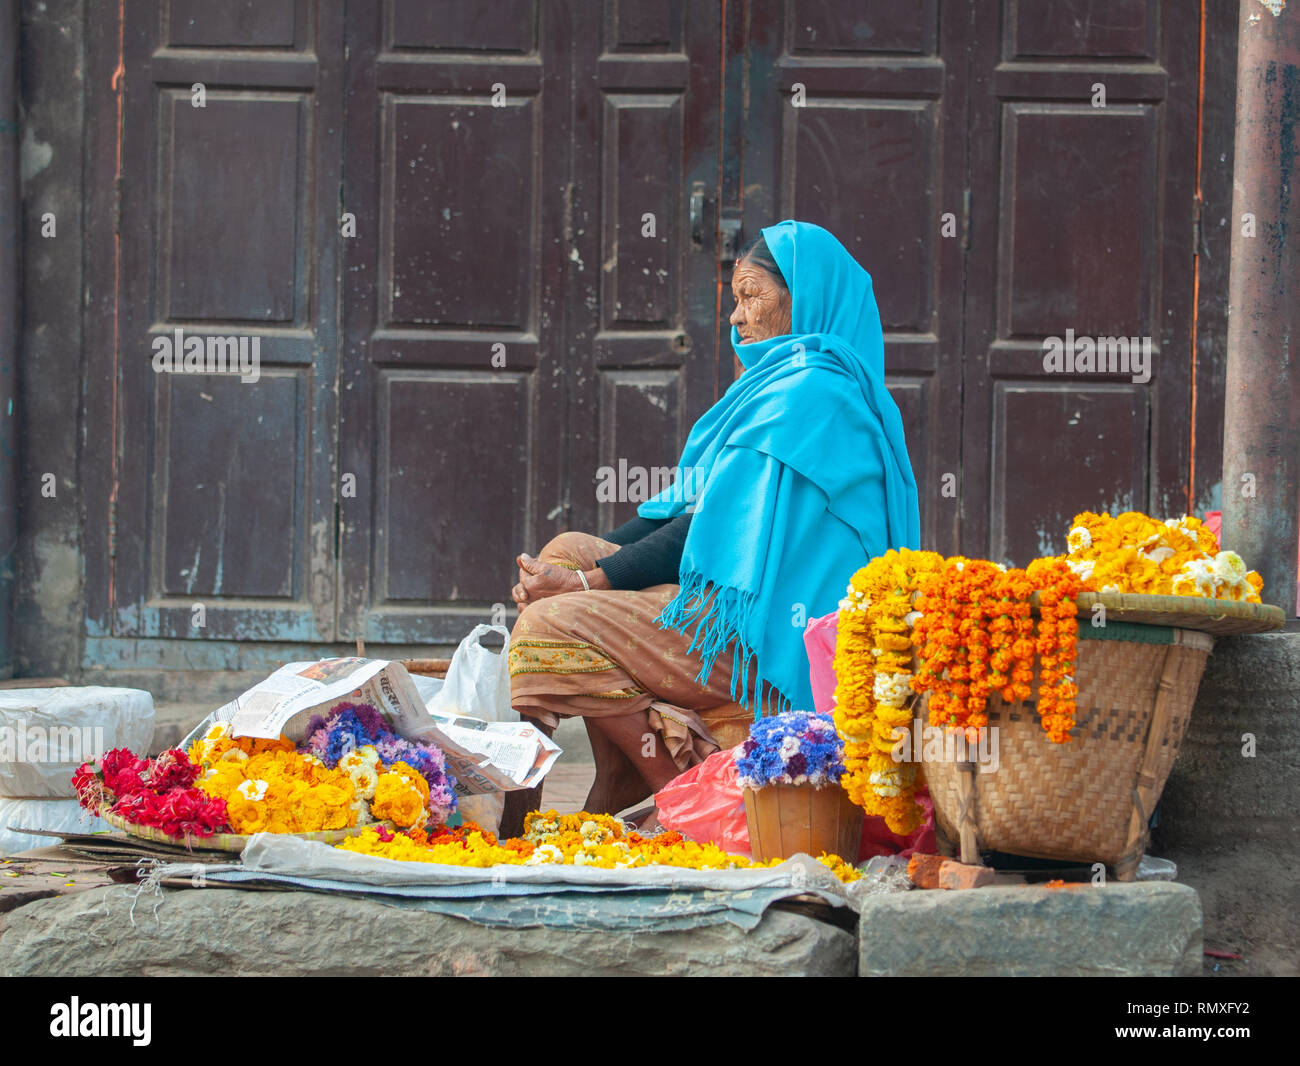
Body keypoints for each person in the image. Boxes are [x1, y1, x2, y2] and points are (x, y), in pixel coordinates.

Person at [501, 220, 920, 837]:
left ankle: (673, 796)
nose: (736, 316)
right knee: (566, 551)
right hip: (739, 606)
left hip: (771, 646)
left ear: (804, 298)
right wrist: (574, 571)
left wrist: (587, 585)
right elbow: (686, 516)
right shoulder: (788, 382)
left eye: (752, 295)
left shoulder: (813, 394)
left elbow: (708, 531)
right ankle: (613, 779)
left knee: (547, 625)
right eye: (736, 298)